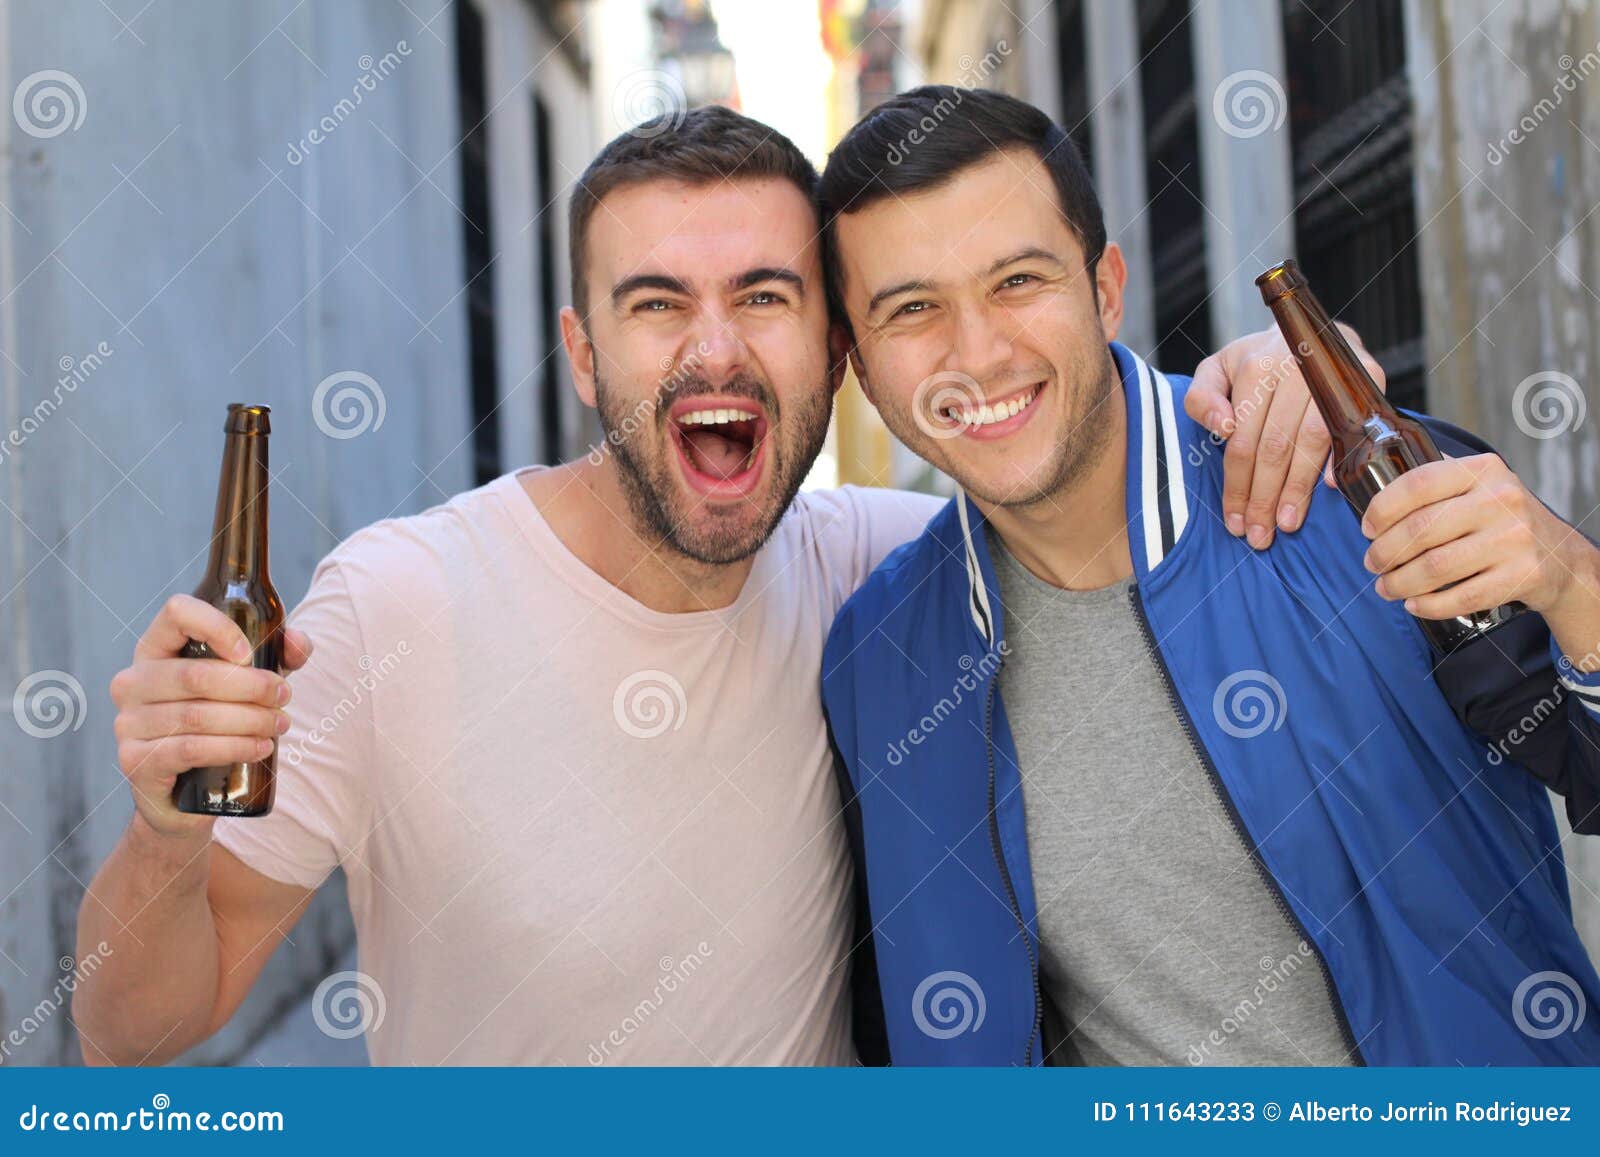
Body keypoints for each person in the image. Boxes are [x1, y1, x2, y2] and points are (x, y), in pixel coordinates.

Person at [78, 105, 1356, 1066]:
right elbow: (136, 1028)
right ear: (583, 353)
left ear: (835, 351)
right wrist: (165, 832)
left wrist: (1285, 370)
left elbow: (1073, 450)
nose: (715, 347)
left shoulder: (881, 571)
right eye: (655, 303)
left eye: (765, 295)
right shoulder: (401, 604)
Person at [818, 86, 1600, 1067]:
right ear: (853, 358)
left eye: (1018, 281)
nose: (976, 353)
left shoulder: (1350, 487)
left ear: (1106, 286)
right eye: (913, 309)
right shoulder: (877, 654)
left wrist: (1575, 581)